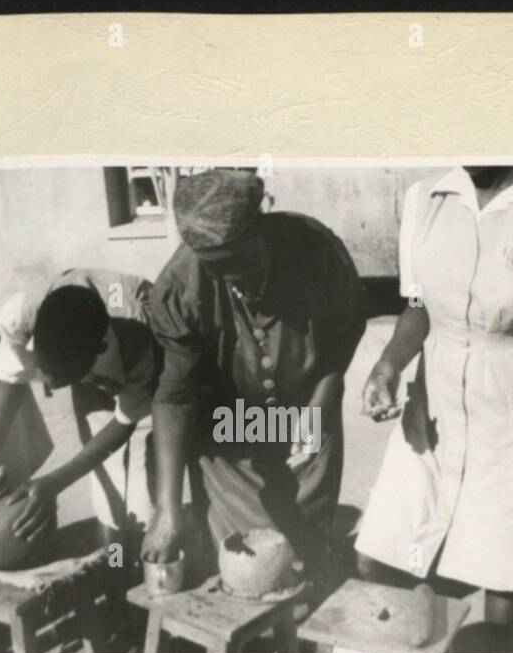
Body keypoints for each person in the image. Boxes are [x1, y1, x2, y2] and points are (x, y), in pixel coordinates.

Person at [354, 165, 513, 653]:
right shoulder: (425, 199)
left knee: (501, 575)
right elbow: (417, 305)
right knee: (383, 552)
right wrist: (389, 365)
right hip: (433, 405)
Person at [140, 169, 366, 584]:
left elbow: (345, 332)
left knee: (305, 557)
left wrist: (320, 404)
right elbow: (174, 396)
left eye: (238, 261)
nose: (231, 278)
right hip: (229, 428)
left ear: (258, 225)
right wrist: (167, 509)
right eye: (216, 269)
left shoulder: (316, 252)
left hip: (306, 410)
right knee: (243, 567)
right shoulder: (178, 288)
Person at [0, 267, 158, 570]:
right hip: (84, 349)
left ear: (97, 354)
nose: (48, 386)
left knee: (144, 496)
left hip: (141, 377)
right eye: (44, 372)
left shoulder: (143, 340)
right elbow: (11, 376)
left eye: (60, 378)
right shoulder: (22, 315)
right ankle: (114, 567)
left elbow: (125, 423)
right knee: (106, 487)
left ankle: (141, 571)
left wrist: (54, 483)